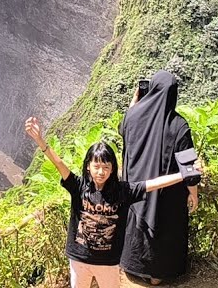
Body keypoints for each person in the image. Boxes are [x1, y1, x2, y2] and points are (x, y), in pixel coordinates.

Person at [25, 117, 192, 288]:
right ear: (88, 166)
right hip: (79, 259)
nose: (101, 172)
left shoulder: (123, 191)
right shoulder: (78, 186)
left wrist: (183, 175)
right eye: (96, 166)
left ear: (112, 168)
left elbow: (153, 184)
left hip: (108, 262)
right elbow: (58, 163)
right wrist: (39, 140)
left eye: (106, 167)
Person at [119, 71, 200, 285]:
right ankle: (156, 275)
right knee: (164, 225)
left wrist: (135, 103)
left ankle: (131, 266)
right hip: (165, 194)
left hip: (134, 188)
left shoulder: (132, 116)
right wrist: (194, 195)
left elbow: (122, 128)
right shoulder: (179, 126)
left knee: (135, 223)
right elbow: (189, 167)